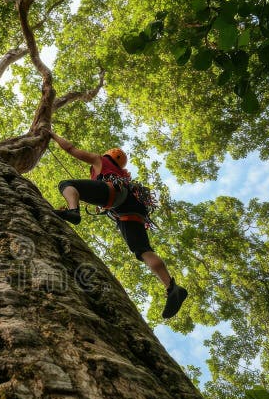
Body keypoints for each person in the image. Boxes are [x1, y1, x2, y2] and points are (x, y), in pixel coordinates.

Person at [50, 131, 187, 319]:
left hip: (114, 195)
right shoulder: (122, 174)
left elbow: (70, 148)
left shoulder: (100, 161)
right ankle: (172, 287)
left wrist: (52, 135)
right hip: (130, 209)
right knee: (142, 250)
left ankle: (73, 211)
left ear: (108, 156)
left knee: (66, 184)